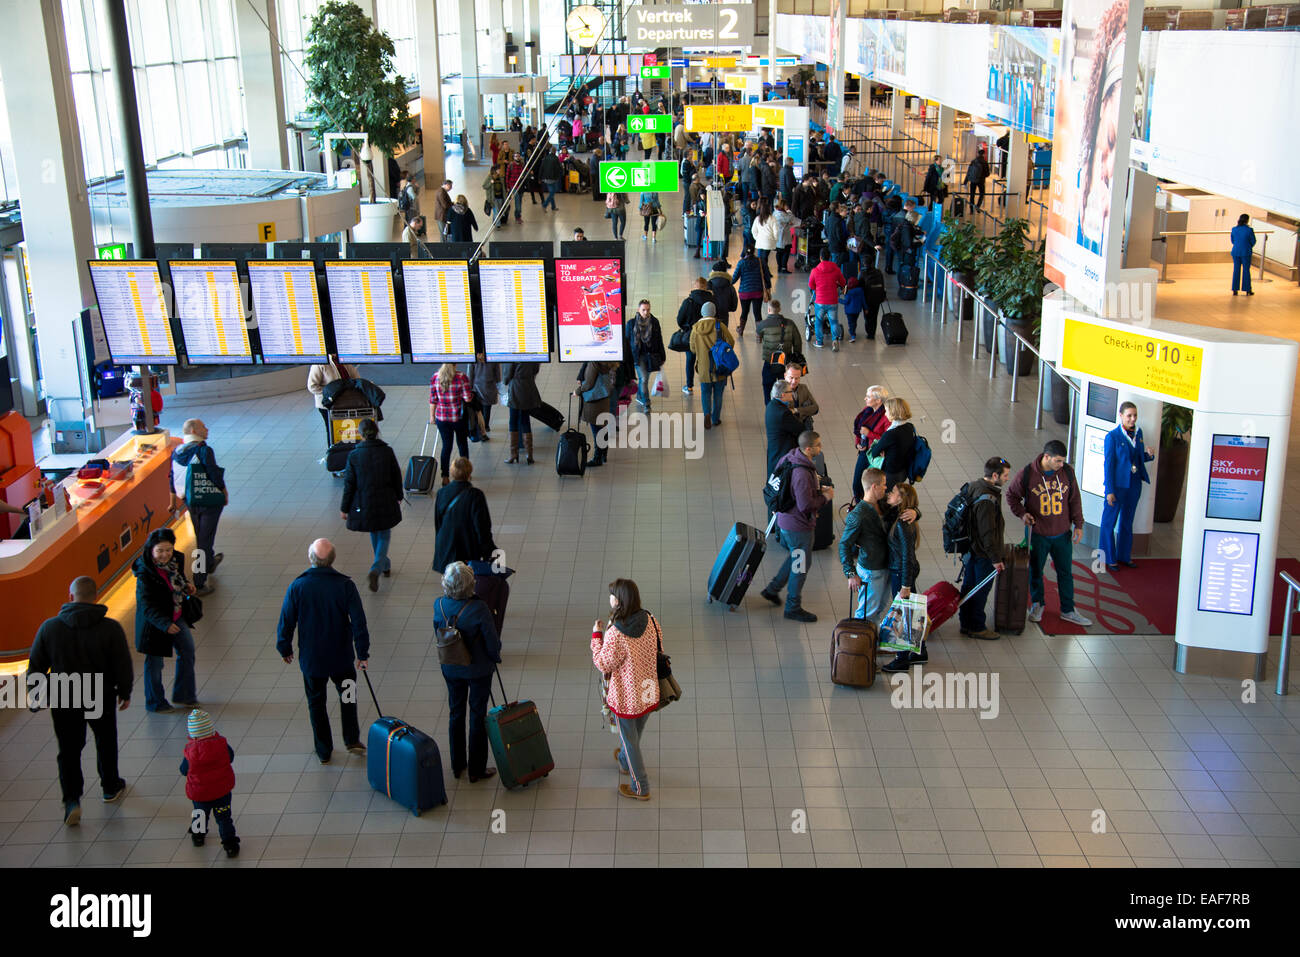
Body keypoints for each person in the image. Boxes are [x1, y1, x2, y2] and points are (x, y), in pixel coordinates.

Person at [28, 575, 132, 825]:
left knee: (69, 750)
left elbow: (36, 666)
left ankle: (72, 799)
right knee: (105, 741)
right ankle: (110, 787)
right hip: (99, 693)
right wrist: (124, 692)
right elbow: (122, 664)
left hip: (64, 694)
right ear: (95, 597)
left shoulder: (49, 627)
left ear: (70, 596)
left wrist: (36, 697)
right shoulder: (110, 628)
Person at [276, 539, 370, 764]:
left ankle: (323, 749)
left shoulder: (298, 586)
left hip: (312, 660)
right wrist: (362, 653)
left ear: (311, 559)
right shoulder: (345, 585)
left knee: (316, 702)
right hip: (342, 660)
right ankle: (351, 739)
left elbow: (287, 620)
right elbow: (358, 621)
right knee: (348, 697)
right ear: (332, 560)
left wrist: (284, 646)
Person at [1005, 439, 1092, 626]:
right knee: (1036, 572)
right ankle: (1038, 604)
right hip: (1038, 535)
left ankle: (1068, 610)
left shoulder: (1067, 472)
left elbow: (1074, 499)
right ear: (1046, 457)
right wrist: (1022, 514)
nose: (1062, 465)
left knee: (1065, 573)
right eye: (1058, 461)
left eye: (1063, 461)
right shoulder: (1027, 474)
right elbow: (1011, 496)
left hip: (1062, 534)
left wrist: (1079, 524)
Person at [591, 579, 662, 800]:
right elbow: (659, 645)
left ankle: (640, 787)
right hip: (649, 687)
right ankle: (623, 760)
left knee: (630, 740)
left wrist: (596, 636)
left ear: (620, 600)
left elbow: (603, 663)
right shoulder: (650, 619)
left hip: (626, 695)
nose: (609, 598)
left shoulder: (616, 633)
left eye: (612, 595)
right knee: (635, 733)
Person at [435, 562, 502, 783]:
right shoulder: (478, 608)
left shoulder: (440, 605)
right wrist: (495, 656)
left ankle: (457, 764)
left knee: (455, 712)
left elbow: (439, 630)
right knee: (477, 714)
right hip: (478, 669)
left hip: (451, 666)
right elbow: (491, 641)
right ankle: (476, 769)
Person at [760, 430, 832, 623]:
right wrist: (825, 497)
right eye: (818, 445)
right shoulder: (802, 473)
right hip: (798, 527)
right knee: (800, 565)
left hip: (785, 521)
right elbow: (805, 505)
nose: (821, 447)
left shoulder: (790, 457)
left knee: (795, 556)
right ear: (809, 449)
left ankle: (772, 589)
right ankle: (793, 606)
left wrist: (815, 489)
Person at [840, 469, 918, 624]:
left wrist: (915, 512)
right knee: (866, 613)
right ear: (874, 486)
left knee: (879, 609)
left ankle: (871, 643)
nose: (886, 488)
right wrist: (850, 572)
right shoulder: (858, 514)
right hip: (871, 570)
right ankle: (859, 644)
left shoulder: (884, 505)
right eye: (883, 485)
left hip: (887, 566)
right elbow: (844, 545)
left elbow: (903, 507)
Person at [133, 527, 198, 714]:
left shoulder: (176, 560)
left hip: (176, 616)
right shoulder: (145, 573)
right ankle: (155, 701)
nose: (165, 554)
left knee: (187, 651)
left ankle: (184, 695)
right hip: (154, 625)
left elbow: (178, 580)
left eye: (168, 549)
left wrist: (186, 586)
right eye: (160, 550)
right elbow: (145, 605)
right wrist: (164, 624)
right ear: (151, 550)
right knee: (154, 664)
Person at [339, 418, 404, 592]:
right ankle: (378, 567)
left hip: (365, 501)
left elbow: (349, 484)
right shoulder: (387, 451)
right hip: (386, 499)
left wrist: (344, 508)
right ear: (377, 432)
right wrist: (399, 495)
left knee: (375, 531)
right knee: (383, 534)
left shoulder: (354, 456)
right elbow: (396, 475)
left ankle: (383, 565)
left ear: (360, 434)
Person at [170, 418, 226, 597]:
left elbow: (172, 477)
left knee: (202, 535)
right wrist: (223, 491)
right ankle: (199, 580)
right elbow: (213, 473)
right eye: (203, 426)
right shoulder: (204, 450)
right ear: (194, 429)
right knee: (203, 541)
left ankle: (209, 563)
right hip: (209, 501)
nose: (207, 428)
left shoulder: (177, 452)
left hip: (191, 501)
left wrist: (172, 502)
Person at [959, 456, 1011, 641]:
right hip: (983, 554)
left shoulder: (974, 486)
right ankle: (977, 627)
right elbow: (987, 533)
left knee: (969, 587)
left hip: (971, 549)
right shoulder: (987, 499)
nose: (1007, 479)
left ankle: (965, 622)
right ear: (995, 475)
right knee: (981, 590)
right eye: (1005, 476)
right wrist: (995, 559)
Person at [1100, 402, 1155, 569]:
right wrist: (1109, 490)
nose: (1132, 419)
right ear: (1121, 415)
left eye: (1135, 415)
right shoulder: (1113, 437)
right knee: (1109, 522)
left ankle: (1124, 555)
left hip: (1134, 484)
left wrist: (1149, 455)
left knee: (1127, 520)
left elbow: (1137, 458)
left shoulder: (1139, 434)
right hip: (1117, 486)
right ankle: (1108, 557)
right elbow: (1108, 465)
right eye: (1129, 415)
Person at [180, 709, 239, 857]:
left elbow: (183, 770)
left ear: (192, 734)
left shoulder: (190, 752)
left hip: (200, 795)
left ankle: (198, 836)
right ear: (211, 729)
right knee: (224, 817)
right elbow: (231, 757)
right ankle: (230, 844)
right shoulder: (222, 744)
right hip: (221, 792)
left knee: (200, 814)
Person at [880, 482, 924, 673]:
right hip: (901, 569)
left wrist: (905, 584)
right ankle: (920, 653)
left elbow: (908, 555)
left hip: (901, 572)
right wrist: (916, 510)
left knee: (904, 615)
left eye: (894, 492)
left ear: (901, 498)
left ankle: (902, 659)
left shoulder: (903, 524)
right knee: (911, 612)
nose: (889, 493)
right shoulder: (900, 516)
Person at [432, 457, 496, 575]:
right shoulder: (476, 495)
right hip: (467, 547)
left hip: (446, 546)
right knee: (467, 584)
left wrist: (440, 547)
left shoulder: (442, 493)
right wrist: (489, 552)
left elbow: (438, 523)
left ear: (452, 473)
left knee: (450, 583)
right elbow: (482, 527)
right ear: (469, 473)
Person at [689, 302, 736, 430]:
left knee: (705, 392)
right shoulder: (720, 326)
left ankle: (707, 415)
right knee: (718, 394)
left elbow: (692, 348)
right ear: (714, 312)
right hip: (720, 366)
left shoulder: (696, 328)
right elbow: (731, 342)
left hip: (704, 367)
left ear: (702, 313)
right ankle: (716, 419)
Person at [429, 363, 474, 485]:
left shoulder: (435, 377)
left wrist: (432, 416)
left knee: (446, 446)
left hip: (442, 418)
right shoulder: (461, 377)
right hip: (458, 417)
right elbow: (467, 398)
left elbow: (433, 400)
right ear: (456, 364)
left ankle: (445, 476)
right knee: (462, 444)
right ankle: (466, 474)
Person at [851, 385, 891, 503]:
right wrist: (858, 443)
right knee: (857, 482)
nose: (865, 399)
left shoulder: (886, 417)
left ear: (878, 400)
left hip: (876, 454)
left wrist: (870, 434)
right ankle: (859, 505)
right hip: (864, 451)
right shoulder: (867, 411)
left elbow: (886, 439)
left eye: (868, 397)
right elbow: (859, 430)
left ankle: (870, 506)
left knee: (872, 486)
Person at [867, 396, 917, 489]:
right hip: (903, 471)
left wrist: (882, 450)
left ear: (894, 412)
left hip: (890, 473)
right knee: (896, 496)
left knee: (888, 499)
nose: (885, 414)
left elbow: (874, 452)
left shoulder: (891, 434)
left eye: (887, 411)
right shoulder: (909, 427)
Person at [675, 277, 714, 396]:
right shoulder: (712, 301)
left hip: (692, 335)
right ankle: (709, 384)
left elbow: (679, 319)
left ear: (695, 286)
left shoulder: (688, 301)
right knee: (708, 360)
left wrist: (686, 327)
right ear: (705, 287)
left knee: (690, 361)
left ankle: (690, 386)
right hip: (709, 336)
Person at [576, 360, 618, 468]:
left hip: (593, 400)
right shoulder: (610, 362)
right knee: (602, 427)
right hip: (604, 398)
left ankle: (597, 458)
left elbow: (589, 383)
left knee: (596, 429)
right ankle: (603, 454)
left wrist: (578, 391)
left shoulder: (594, 363)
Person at [627, 299, 665, 412]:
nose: (646, 312)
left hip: (651, 355)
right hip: (637, 357)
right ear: (638, 310)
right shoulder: (631, 324)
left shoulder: (654, 322)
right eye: (643, 310)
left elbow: (659, 340)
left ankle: (640, 395)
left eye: (648, 310)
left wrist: (662, 356)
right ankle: (647, 404)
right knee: (643, 379)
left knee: (645, 379)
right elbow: (627, 341)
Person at [502, 361, 540, 464]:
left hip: (515, 389)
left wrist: (505, 381)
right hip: (528, 387)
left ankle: (513, 454)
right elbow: (536, 369)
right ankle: (529, 454)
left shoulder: (512, 355)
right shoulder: (531, 353)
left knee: (513, 421)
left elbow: (506, 375)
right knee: (525, 420)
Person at [808, 250, 845, 351]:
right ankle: (835, 340)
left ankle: (819, 342)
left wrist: (817, 288)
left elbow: (811, 285)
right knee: (834, 321)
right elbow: (843, 282)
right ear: (830, 257)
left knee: (819, 321)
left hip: (820, 301)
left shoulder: (815, 271)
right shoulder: (836, 269)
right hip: (832, 300)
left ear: (820, 258)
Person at [765, 380, 804, 477]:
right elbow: (800, 429)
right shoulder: (783, 413)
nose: (792, 394)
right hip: (783, 454)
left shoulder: (771, 405)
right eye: (790, 391)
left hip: (774, 452)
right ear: (783, 395)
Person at [308, 355, 353, 432]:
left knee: (346, 430)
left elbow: (355, 378)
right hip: (327, 405)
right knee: (332, 431)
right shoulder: (320, 363)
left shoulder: (343, 359)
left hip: (345, 402)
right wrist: (330, 393)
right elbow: (312, 386)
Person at [731, 247, 765, 336]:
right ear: (754, 252)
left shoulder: (741, 263)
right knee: (757, 313)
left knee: (744, 312)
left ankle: (741, 330)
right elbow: (766, 275)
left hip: (744, 292)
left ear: (745, 252)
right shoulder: (760, 261)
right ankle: (759, 335)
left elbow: (734, 278)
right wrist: (768, 287)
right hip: (758, 291)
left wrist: (728, 283)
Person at [468, 355, 499, 441]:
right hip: (490, 387)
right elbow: (498, 376)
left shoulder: (473, 358)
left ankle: (481, 429)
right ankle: (486, 426)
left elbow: (470, 374)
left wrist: (469, 388)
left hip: (477, 388)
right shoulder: (493, 357)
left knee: (479, 410)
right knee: (487, 408)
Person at [860, 262, 887, 340]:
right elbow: (883, 285)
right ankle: (872, 333)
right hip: (877, 298)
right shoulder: (878, 272)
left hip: (867, 298)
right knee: (875, 315)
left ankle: (869, 333)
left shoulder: (863, 273)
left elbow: (860, 286)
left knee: (867, 316)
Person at [1230, 213, 1256, 296]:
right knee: (1246, 270)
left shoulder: (1234, 229)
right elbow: (1253, 241)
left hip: (1236, 252)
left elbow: (1233, 240)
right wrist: (1247, 246)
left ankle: (1235, 289)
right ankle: (1247, 289)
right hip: (1246, 252)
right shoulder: (1249, 230)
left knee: (1236, 270)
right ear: (1247, 220)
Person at [840, 277, 865, 344]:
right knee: (854, 322)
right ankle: (852, 331)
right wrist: (866, 308)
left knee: (851, 322)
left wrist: (838, 300)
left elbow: (845, 302)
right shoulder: (860, 291)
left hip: (849, 311)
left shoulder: (849, 293)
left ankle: (852, 335)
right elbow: (863, 300)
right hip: (857, 310)